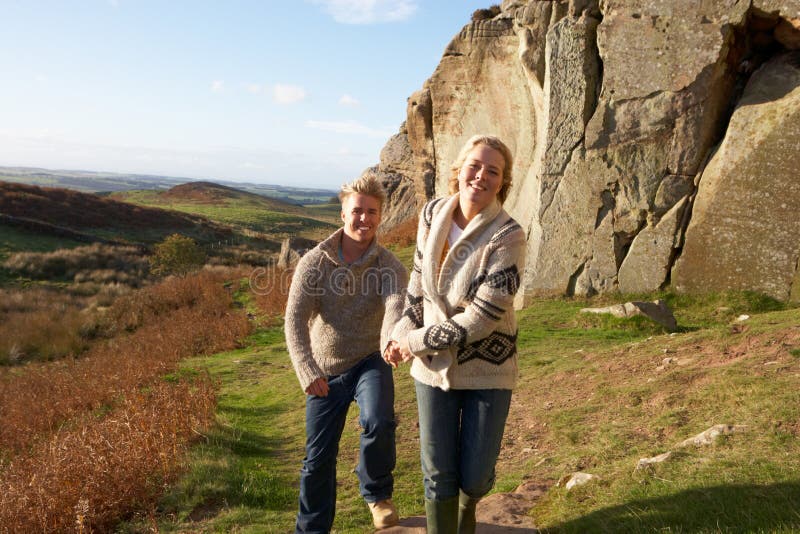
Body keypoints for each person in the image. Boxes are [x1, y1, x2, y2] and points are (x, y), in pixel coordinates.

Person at [385, 135, 526, 534]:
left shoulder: (508, 236)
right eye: (474, 166)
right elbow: (418, 283)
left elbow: (481, 319)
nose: (481, 176)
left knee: (476, 476)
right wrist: (400, 332)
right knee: (437, 472)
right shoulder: (433, 214)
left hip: (487, 368)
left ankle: (468, 513)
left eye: (492, 171)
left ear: (502, 182)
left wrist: (413, 342)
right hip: (432, 366)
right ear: (459, 170)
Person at [285, 172, 408, 533]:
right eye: (357, 211)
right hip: (325, 369)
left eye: (372, 212)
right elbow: (294, 320)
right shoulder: (314, 263)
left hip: (370, 360)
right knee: (317, 459)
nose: (364, 218)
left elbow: (395, 308)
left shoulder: (390, 266)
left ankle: (377, 495)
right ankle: (312, 528)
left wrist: (390, 342)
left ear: (380, 216)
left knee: (378, 420)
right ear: (343, 214)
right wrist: (307, 370)